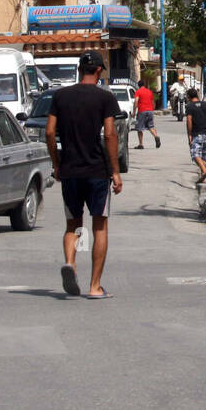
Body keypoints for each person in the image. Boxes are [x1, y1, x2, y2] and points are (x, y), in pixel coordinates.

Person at [46, 51, 122, 299]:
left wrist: (57, 164)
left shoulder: (60, 96)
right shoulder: (105, 98)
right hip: (97, 171)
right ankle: (95, 286)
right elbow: (110, 134)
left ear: (80, 70)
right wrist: (116, 171)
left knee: (73, 224)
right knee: (99, 225)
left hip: (69, 171)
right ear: (98, 71)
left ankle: (70, 262)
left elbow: (49, 132)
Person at [185, 88, 206, 183]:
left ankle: (204, 171)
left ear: (188, 97)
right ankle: (203, 177)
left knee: (194, 153)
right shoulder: (205, 105)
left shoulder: (190, 106)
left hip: (197, 134)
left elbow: (189, 121)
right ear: (197, 95)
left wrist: (189, 135)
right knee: (204, 155)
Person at [133, 80, 161, 149]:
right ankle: (156, 136)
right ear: (144, 85)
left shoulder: (138, 91)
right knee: (150, 126)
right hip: (150, 111)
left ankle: (141, 144)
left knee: (139, 128)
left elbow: (136, 101)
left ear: (138, 85)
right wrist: (153, 110)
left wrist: (134, 112)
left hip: (142, 111)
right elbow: (153, 102)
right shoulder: (149, 91)